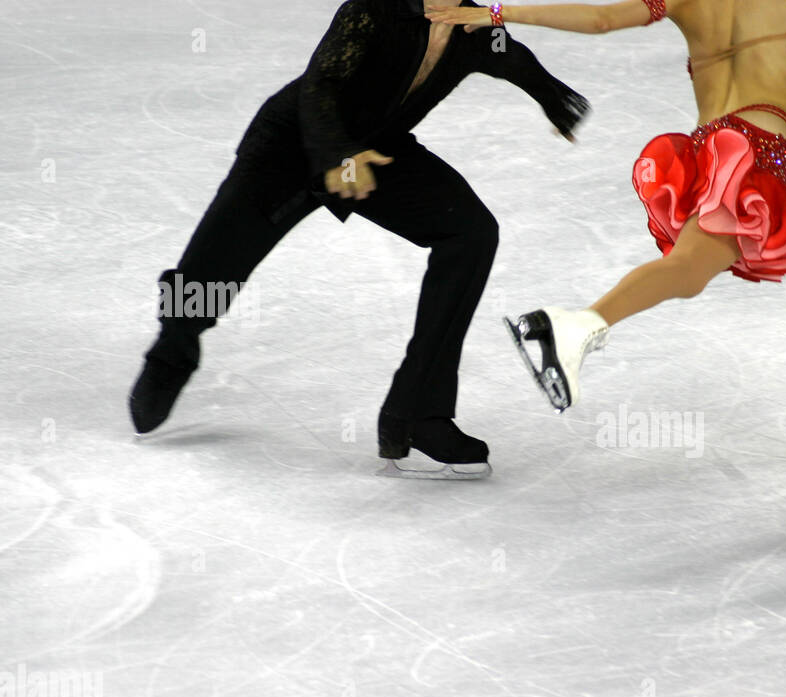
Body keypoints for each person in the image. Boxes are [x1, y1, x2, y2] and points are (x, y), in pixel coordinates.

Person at [428, 0, 786, 483]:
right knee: (731, 268)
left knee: (746, 269)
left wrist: (499, 13)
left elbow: (600, 20)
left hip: (709, 150)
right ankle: (568, 329)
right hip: (755, 155)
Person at [128, 0, 590, 479]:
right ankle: (170, 355)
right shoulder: (374, 8)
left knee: (470, 232)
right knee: (207, 274)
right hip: (292, 146)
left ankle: (418, 412)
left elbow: (508, 53)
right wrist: (337, 153)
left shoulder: (472, 28)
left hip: (376, 156)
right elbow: (320, 83)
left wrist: (555, 99)